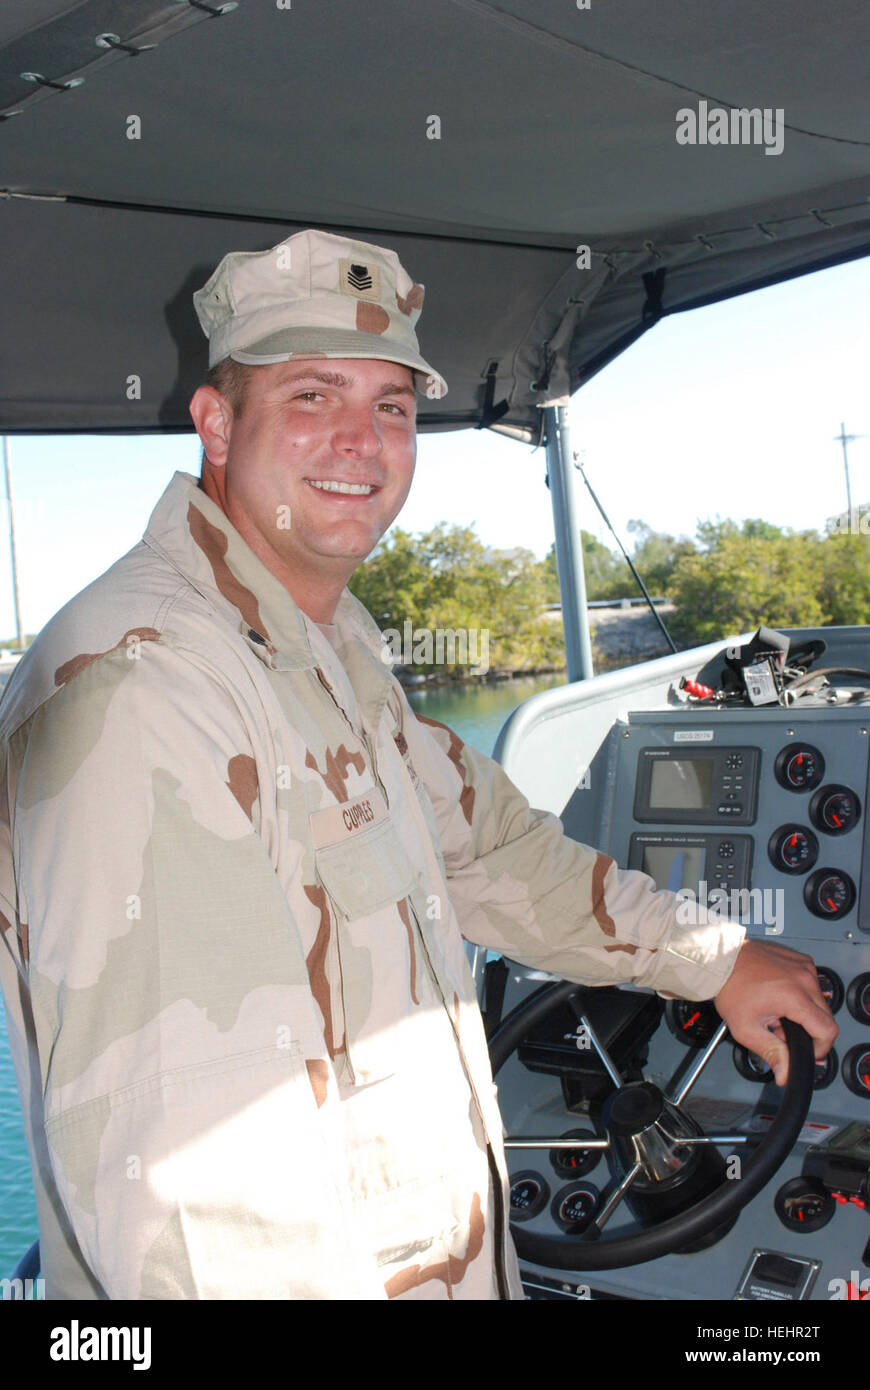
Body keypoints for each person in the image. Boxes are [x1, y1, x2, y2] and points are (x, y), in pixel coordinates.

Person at [0, 229, 836, 1301]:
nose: (361, 439)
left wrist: (712, 958)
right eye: (312, 395)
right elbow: (204, 1220)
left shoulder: (327, 647)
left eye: (391, 406)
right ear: (216, 422)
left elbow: (487, 848)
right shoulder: (148, 693)